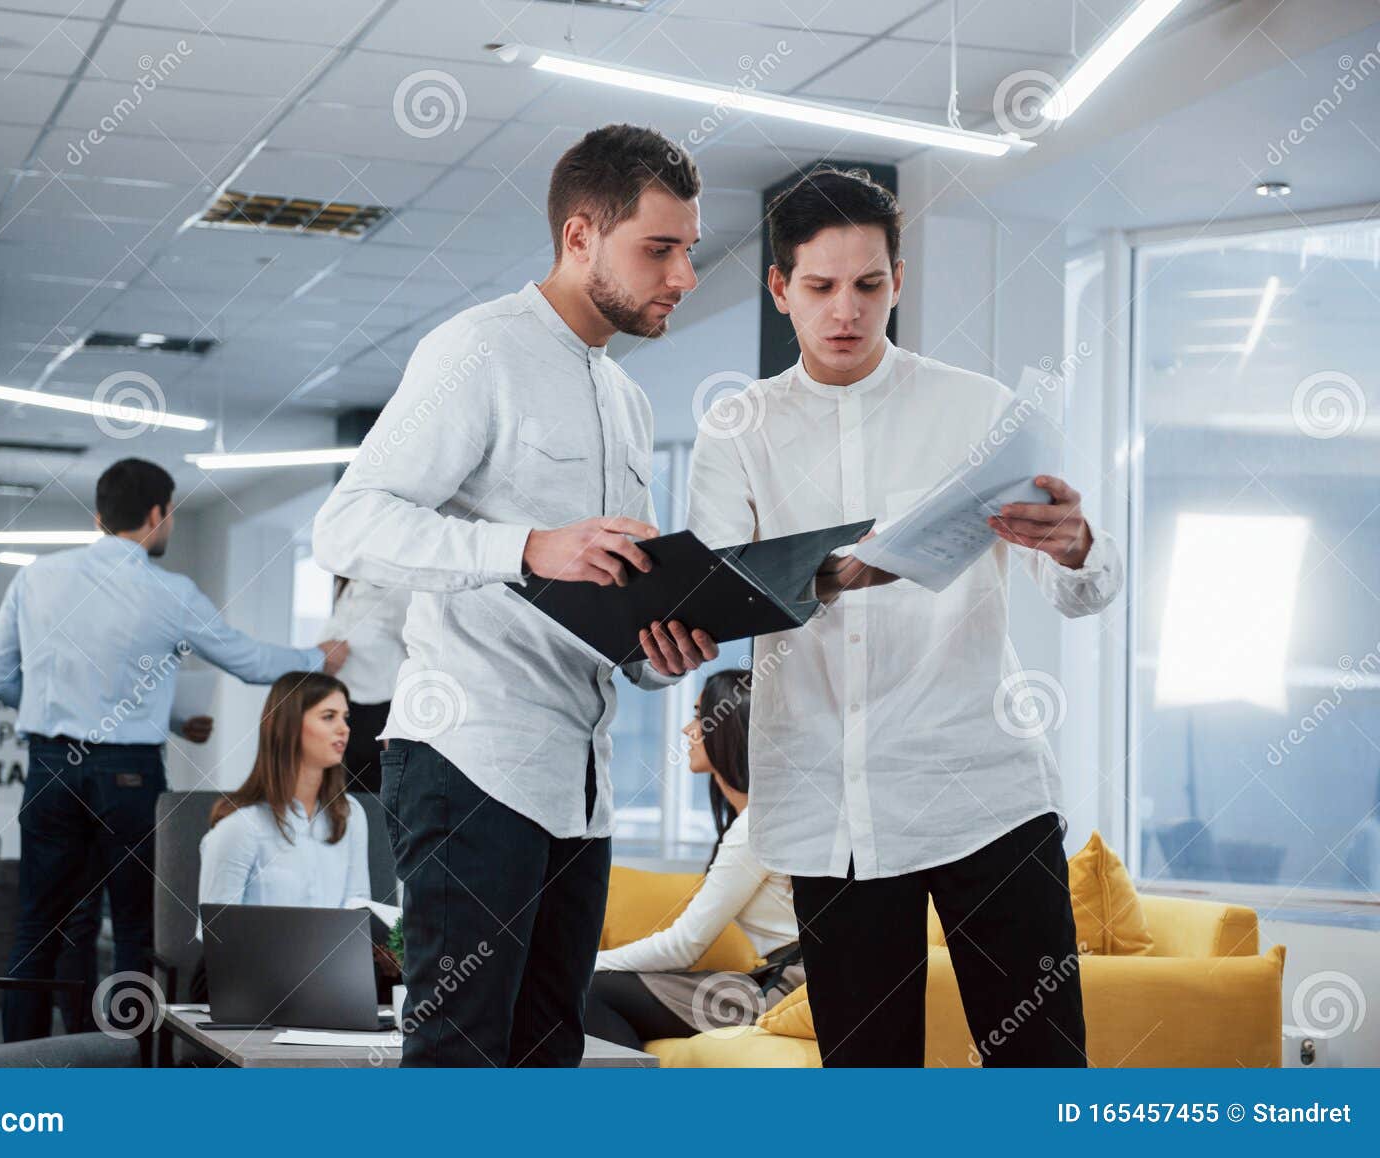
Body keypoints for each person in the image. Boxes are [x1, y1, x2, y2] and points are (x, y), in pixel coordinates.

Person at [687, 168, 1125, 1067]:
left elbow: (1080, 594)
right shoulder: (738, 428)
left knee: (1041, 1069)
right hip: (825, 802)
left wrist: (1077, 545)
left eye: (869, 285)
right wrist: (831, 576)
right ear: (780, 289)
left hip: (983, 789)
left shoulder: (981, 411)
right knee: (870, 1085)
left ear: (898, 280)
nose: (846, 311)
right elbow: (717, 594)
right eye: (819, 288)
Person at [312, 123, 719, 1067]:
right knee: (462, 1056)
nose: (683, 276)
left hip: (581, 784)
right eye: (658, 249)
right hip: (471, 758)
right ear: (581, 237)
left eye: (689, 250)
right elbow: (350, 525)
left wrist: (657, 647)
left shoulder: (627, 400)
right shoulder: (477, 351)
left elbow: (604, 593)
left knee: (546, 1056)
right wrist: (529, 546)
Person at [0, 458, 342, 1042]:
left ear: (99, 516)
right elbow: (246, 662)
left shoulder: (36, 578)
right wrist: (316, 659)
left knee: (38, 928)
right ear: (157, 513)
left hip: (49, 771)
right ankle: (126, 1067)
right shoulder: (169, 592)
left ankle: (22, 1067)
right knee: (133, 931)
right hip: (128, 778)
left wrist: (57, 716)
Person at [585, 669, 801, 1051]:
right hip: (778, 980)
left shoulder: (757, 826)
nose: (688, 729)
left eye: (700, 716)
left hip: (784, 990)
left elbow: (684, 946)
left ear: (728, 729)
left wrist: (585, 963)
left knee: (586, 992)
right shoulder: (769, 817)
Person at [198, 670, 370, 914]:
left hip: (336, 952)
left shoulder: (350, 813)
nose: (344, 728)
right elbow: (212, 935)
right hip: (259, 953)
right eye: (328, 717)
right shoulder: (239, 828)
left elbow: (359, 911)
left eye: (345, 717)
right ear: (289, 725)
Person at [321, 577, 411, 794]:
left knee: (382, 797)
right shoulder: (347, 584)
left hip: (382, 713)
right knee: (345, 796)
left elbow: (418, 649)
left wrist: (401, 721)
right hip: (346, 709)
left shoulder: (397, 588)